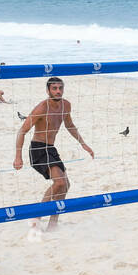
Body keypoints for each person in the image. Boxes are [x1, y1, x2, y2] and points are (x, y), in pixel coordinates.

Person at [13, 77, 94, 231]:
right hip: (38, 149)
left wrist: (83, 143)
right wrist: (18, 157)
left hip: (50, 149)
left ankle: (53, 223)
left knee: (65, 185)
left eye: (60, 88)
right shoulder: (42, 108)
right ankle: (37, 217)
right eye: (54, 88)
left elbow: (70, 125)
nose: (58, 91)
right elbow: (22, 131)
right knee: (60, 183)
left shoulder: (66, 105)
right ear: (48, 90)